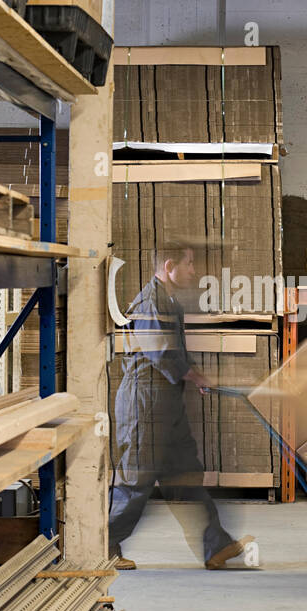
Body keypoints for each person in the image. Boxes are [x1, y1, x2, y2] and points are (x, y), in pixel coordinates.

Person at [109, 241, 253, 570]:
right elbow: (161, 354)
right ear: (169, 266)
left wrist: (194, 377)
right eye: (188, 264)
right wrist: (193, 376)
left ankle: (215, 547)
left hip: (166, 404)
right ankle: (101, 545)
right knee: (135, 482)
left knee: (186, 477)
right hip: (144, 405)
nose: (193, 271)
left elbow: (176, 353)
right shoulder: (149, 301)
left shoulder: (168, 301)